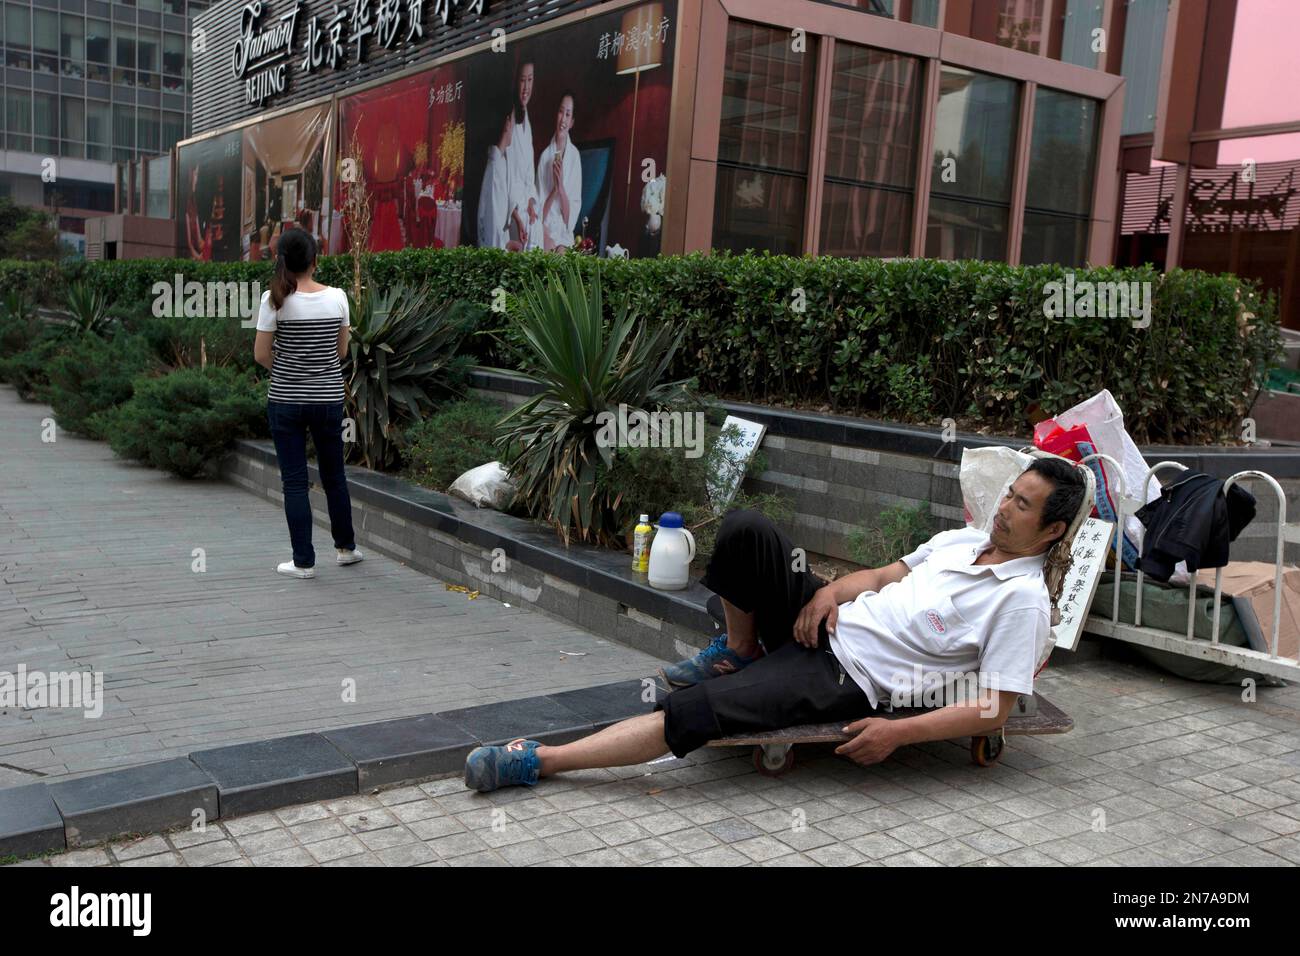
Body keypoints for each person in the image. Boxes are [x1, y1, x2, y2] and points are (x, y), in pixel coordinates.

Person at [464, 458, 1086, 791]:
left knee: (696, 711)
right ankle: (740, 648)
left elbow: (995, 710)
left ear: (1052, 530)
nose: (1004, 509)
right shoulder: (962, 540)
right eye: (1009, 493)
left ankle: (541, 762)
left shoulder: (1021, 601)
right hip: (829, 618)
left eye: (1022, 506)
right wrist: (829, 594)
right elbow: (881, 575)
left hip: (844, 674)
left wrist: (901, 734)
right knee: (745, 531)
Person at [253, 227, 364, 579]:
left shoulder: (274, 300)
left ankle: (303, 561)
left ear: (279, 260)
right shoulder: (338, 298)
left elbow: (260, 355)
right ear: (316, 260)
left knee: (295, 481)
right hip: (328, 399)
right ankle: (346, 548)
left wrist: (288, 370)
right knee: (334, 475)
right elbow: (342, 351)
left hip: (285, 400)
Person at [536, 91, 581, 252]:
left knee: (561, 255)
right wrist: (554, 190)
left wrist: (561, 186)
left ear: (572, 122)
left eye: (567, 114)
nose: (563, 119)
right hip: (544, 229)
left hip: (564, 233)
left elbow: (570, 220)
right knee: (545, 254)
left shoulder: (575, 158)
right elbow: (539, 213)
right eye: (561, 112)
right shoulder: (544, 157)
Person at [506, 60, 539, 250]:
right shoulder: (511, 117)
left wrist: (530, 204)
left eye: (530, 80)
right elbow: (507, 174)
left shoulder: (526, 118)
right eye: (522, 80)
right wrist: (517, 215)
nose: (526, 87)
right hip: (512, 213)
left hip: (524, 209)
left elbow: (528, 172)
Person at [477, 107, 521, 251]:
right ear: (508, 123)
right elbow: (492, 231)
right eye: (513, 121)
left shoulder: (501, 161)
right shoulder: (494, 169)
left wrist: (509, 244)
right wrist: (506, 249)